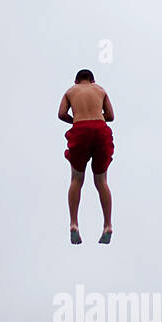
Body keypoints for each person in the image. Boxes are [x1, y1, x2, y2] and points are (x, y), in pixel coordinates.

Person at [58, 69, 115, 245]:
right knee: (101, 181)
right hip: (100, 130)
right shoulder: (100, 90)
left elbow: (61, 114)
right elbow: (111, 116)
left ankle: (74, 223)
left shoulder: (70, 91)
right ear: (92, 80)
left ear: (76, 81)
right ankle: (107, 225)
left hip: (80, 130)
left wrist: (77, 119)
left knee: (76, 179)